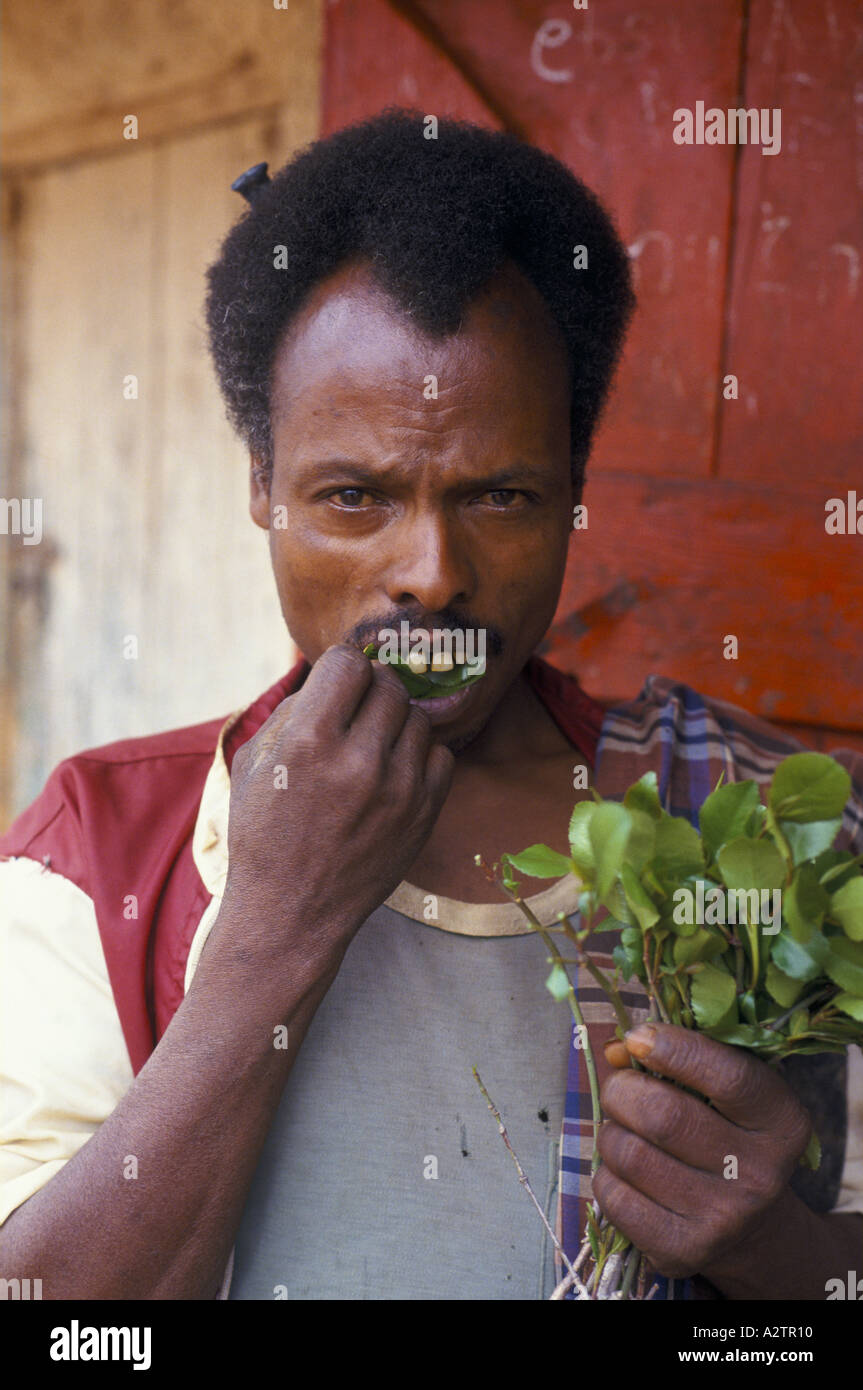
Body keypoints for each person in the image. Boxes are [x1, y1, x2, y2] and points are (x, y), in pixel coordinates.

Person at [1, 109, 861, 1301]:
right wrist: (273, 934)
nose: (432, 572)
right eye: (353, 496)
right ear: (262, 486)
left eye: (501, 495)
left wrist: (778, 1251)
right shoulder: (98, 854)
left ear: (573, 489)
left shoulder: (757, 824)